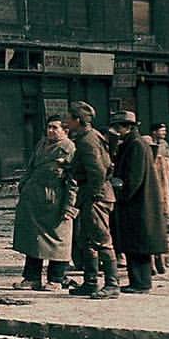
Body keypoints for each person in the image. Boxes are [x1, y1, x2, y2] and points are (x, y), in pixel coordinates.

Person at [11, 116, 77, 291]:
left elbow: (73, 181)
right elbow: (31, 168)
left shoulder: (69, 148)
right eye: (48, 127)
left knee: (58, 241)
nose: (50, 131)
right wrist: (23, 186)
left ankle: (56, 279)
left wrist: (70, 207)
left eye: (55, 128)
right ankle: (32, 278)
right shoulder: (42, 144)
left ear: (65, 131)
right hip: (34, 199)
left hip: (56, 200)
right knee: (33, 241)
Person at [107, 111, 168, 294]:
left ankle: (141, 283)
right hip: (138, 201)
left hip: (138, 203)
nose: (117, 130)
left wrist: (122, 194)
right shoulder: (133, 143)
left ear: (129, 127)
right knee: (135, 243)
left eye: (119, 126)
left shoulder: (135, 145)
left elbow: (134, 177)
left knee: (138, 243)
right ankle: (138, 281)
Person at [65, 101, 119, 299]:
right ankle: (90, 282)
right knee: (87, 240)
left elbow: (97, 170)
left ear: (78, 120)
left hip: (96, 195)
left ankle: (112, 284)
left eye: (69, 118)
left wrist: (95, 195)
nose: (66, 122)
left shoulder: (88, 140)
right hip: (90, 193)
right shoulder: (87, 137)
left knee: (101, 239)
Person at [142, 122, 169, 273]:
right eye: (161, 130)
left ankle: (160, 260)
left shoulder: (163, 149)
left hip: (160, 197)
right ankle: (155, 262)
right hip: (156, 198)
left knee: (159, 229)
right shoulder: (149, 159)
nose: (164, 132)